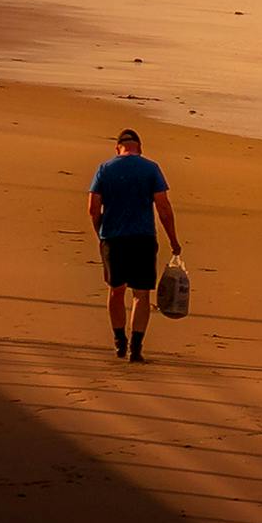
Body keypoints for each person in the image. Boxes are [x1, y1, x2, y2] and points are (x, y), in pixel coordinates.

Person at [86, 128, 180, 363]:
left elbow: (92, 207)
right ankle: (136, 348)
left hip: (113, 239)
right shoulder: (151, 168)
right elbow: (164, 208)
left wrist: (101, 233)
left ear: (118, 148)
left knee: (116, 290)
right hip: (143, 238)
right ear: (140, 147)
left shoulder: (104, 169)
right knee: (141, 294)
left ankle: (119, 341)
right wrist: (173, 240)